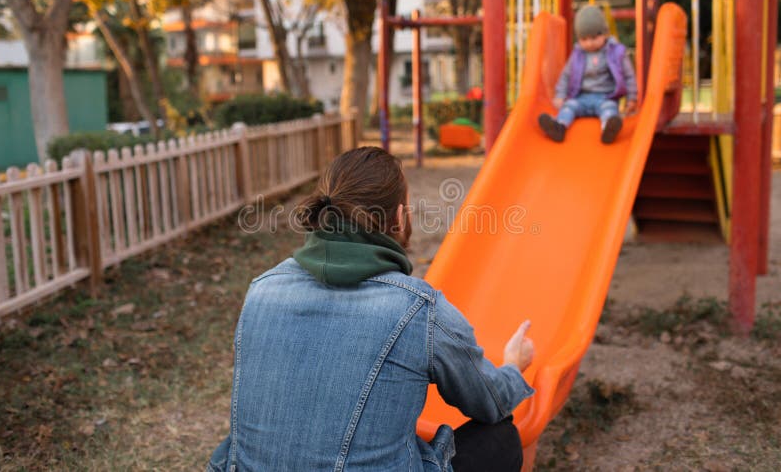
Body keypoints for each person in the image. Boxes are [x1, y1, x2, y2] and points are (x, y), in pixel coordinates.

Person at [208, 146, 535, 472]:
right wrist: (513, 366)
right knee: (501, 439)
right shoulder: (419, 309)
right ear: (399, 218)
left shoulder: (263, 289)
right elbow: (489, 402)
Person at [538, 4, 638, 144]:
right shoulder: (577, 54)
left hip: (606, 97)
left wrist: (632, 98)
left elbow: (629, 76)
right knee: (569, 107)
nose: (589, 43)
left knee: (609, 110)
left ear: (604, 33)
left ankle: (608, 129)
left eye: (594, 38)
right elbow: (566, 76)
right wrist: (560, 95)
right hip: (581, 98)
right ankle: (559, 127)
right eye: (584, 39)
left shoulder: (616, 52)